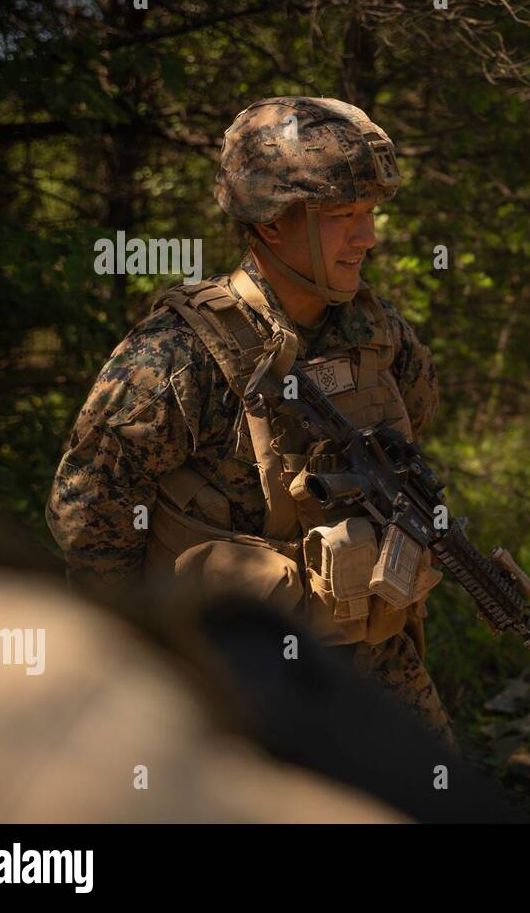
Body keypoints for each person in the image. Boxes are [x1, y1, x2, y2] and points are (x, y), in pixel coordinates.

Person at [46, 97, 455, 747]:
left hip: (378, 667)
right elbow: (90, 522)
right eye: (344, 215)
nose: (369, 236)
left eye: (371, 213)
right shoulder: (179, 356)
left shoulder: (380, 338)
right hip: (239, 686)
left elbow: (409, 441)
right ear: (270, 222)